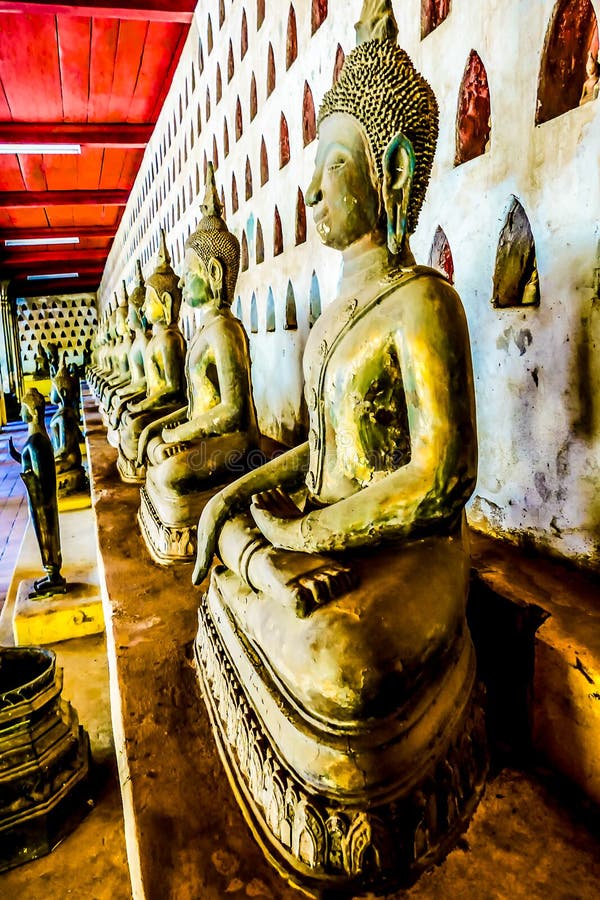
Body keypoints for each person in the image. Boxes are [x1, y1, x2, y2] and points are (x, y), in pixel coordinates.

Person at [191, 2, 486, 892]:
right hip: (323, 532)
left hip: (407, 549)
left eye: (332, 169)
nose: (311, 194)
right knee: (229, 533)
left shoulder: (423, 303)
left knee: (343, 669)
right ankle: (263, 573)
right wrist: (233, 507)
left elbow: (440, 476)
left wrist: (301, 537)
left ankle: (269, 578)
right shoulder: (327, 322)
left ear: (390, 171)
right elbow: (319, 450)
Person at [137, 164, 259, 560]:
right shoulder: (202, 333)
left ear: (213, 272)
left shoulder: (224, 331)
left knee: (168, 471)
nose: (184, 283)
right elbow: (195, 403)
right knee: (156, 453)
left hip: (237, 444)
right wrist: (169, 429)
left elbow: (233, 411)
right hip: (208, 437)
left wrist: (179, 436)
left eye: (188, 275)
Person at [9, 389, 66, 598]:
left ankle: (54, 575)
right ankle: (51, 573)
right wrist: (18, 456)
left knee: (47, 532)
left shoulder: (37, 442)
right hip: (39, 499)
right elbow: (31, 464)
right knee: (43, 534)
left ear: (32, 411)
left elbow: (40, 477)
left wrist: (32, 483)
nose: (20, 414)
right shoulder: (36, 439)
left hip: (42, 500)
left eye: (23, 409)